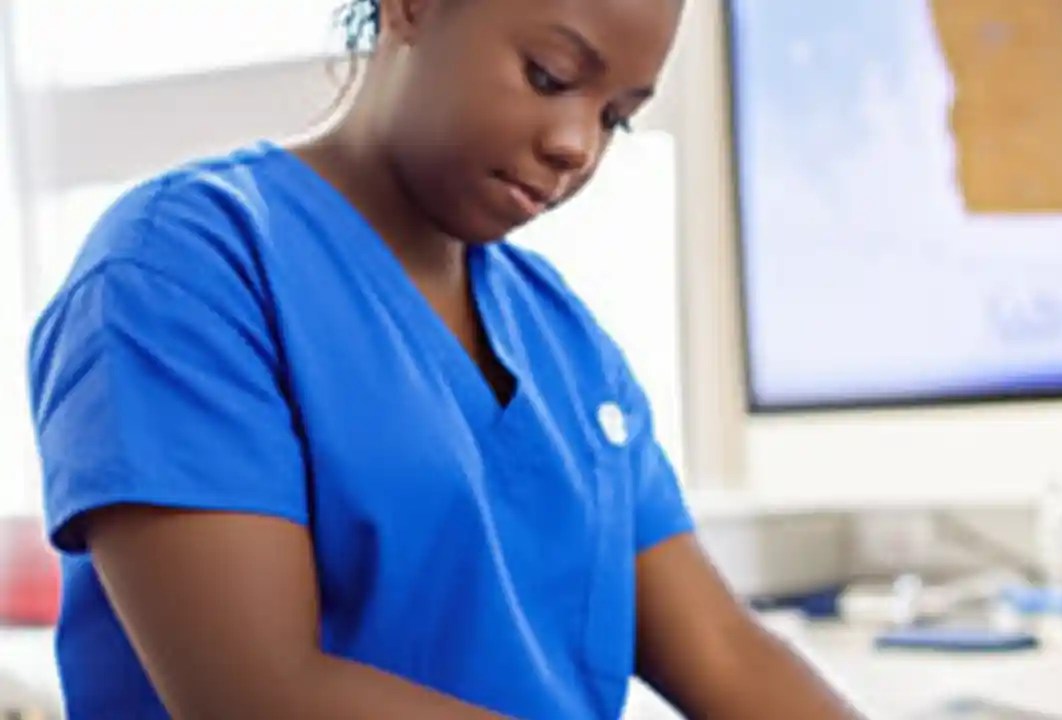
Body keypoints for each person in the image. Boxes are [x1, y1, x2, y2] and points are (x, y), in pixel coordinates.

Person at [27, 0, 865, 718]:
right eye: (549, 75)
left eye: (616, 116)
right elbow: (260, 695)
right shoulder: (184, 269)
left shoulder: (565, 344)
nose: (580, 146)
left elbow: (721, 651)